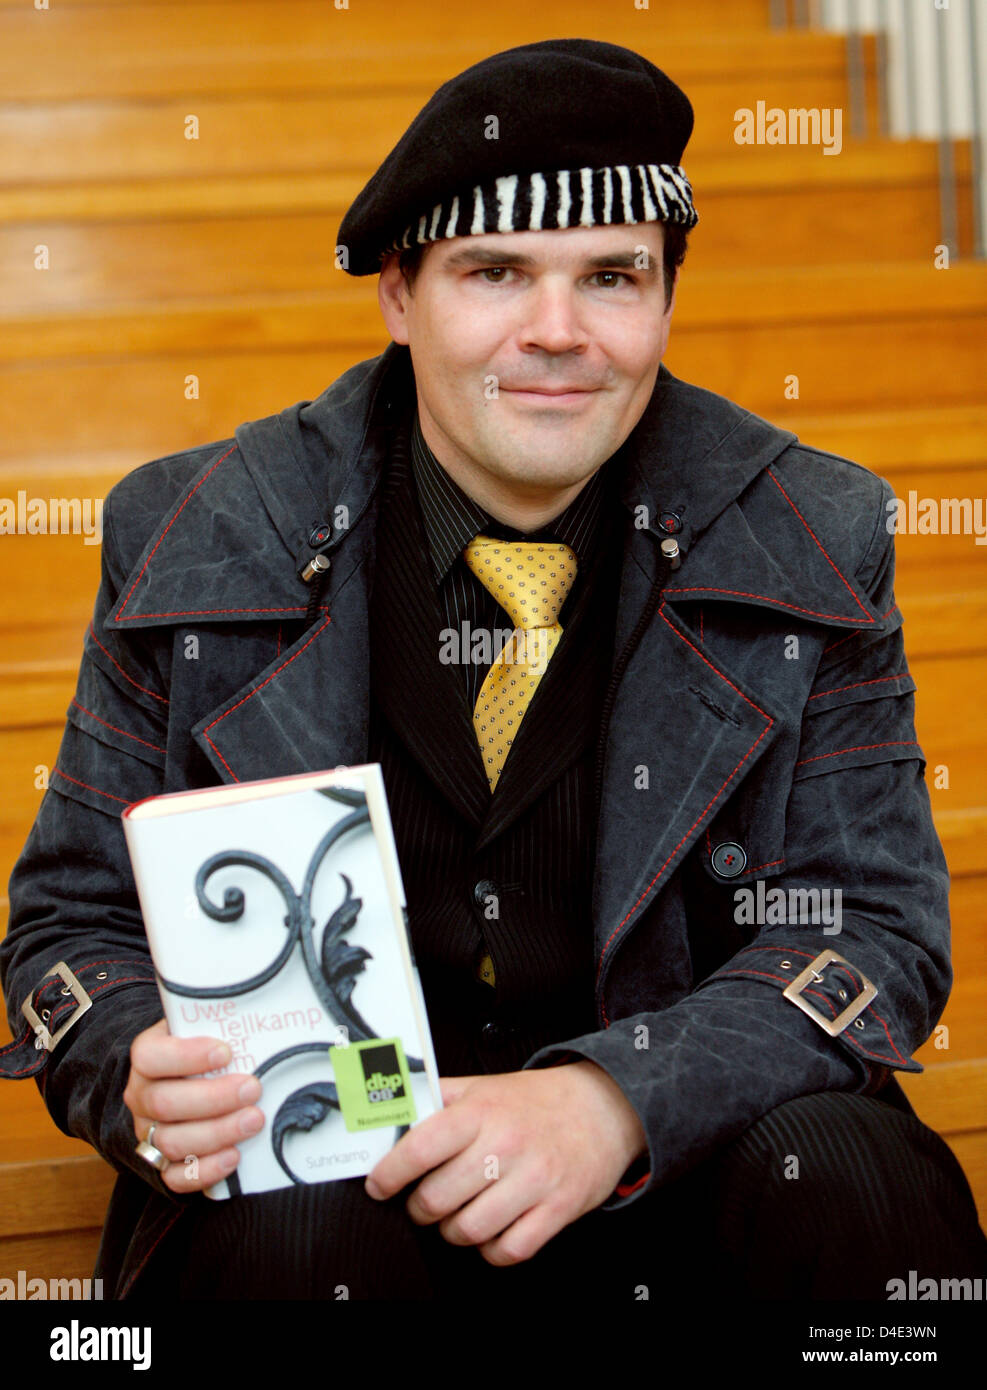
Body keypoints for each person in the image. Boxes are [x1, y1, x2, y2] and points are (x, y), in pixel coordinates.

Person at [1, 38, 984, 1302]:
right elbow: (69, 930)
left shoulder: (808, 529)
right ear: (401, 296)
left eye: (613, 277)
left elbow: (876, 925)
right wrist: (133, 1057)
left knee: (851, 1180)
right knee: (296, 1238)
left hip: (673, 1175)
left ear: (667, 302)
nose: (559, 332)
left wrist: (614, 1099)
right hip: (335, 1182)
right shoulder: (198, 527)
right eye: (498, 271)